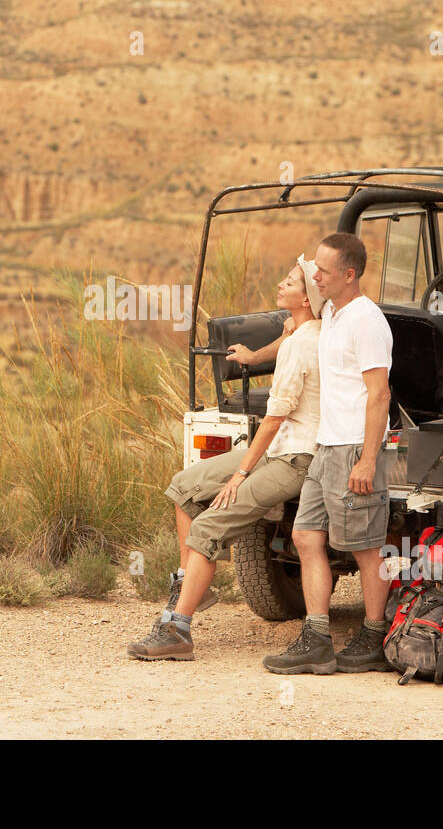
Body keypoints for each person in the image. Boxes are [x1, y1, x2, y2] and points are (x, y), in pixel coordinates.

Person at [127, 256, 324, 661]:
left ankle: (177, 631)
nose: (281, 284)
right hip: (276, 447)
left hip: (294, 456)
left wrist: (240, 472)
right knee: (184, 487)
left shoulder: (304, 346)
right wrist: (254, 357)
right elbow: (286, 339)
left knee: (209, 525)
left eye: (290, 281)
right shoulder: (300, 331)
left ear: (306, 299)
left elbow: (273, 418)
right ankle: (190, 587)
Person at [258, 231, 395, 675]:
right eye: (314, 268)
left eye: (323, 270)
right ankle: (317, 638)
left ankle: (375, 636)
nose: (314, 275)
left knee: (365, 547)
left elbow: (379, 395)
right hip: (325, 446)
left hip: (355, 446)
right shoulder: (333, 311)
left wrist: (368, 460)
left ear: (349, 275)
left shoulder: (365, 320)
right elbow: (304, 317)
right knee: (305, 536)